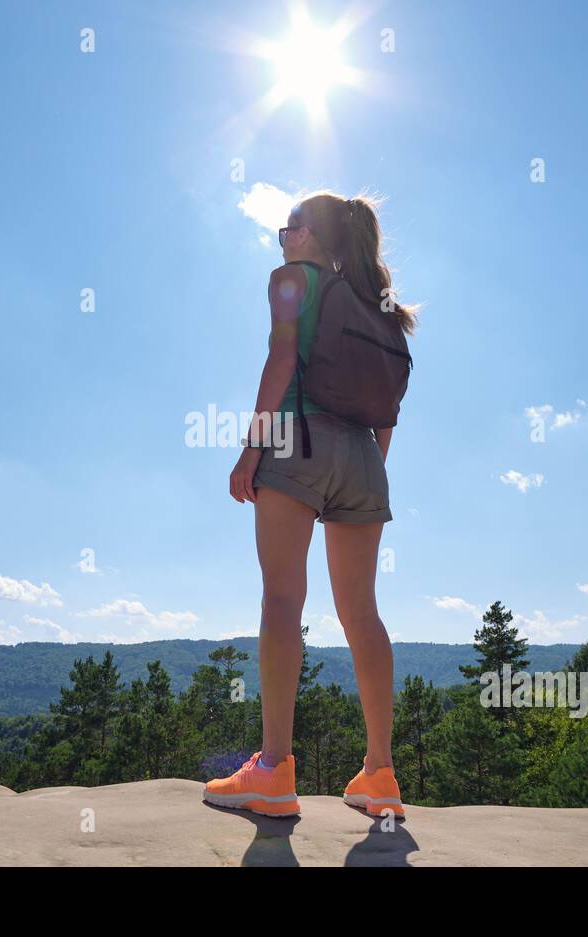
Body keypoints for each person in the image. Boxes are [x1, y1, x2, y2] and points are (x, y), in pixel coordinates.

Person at [203, 190, 418, 820]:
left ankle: (272, 771)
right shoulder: (387, 311)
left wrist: (251, 451)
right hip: (365, 460)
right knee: (362, 615)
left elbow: (281, 360)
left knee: (281, 601)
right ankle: (380, 774)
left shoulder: (294, 280)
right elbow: (386, 416)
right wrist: (358, 468)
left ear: (310, 237)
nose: (281, 240)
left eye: (286, 229)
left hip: (297, 441)